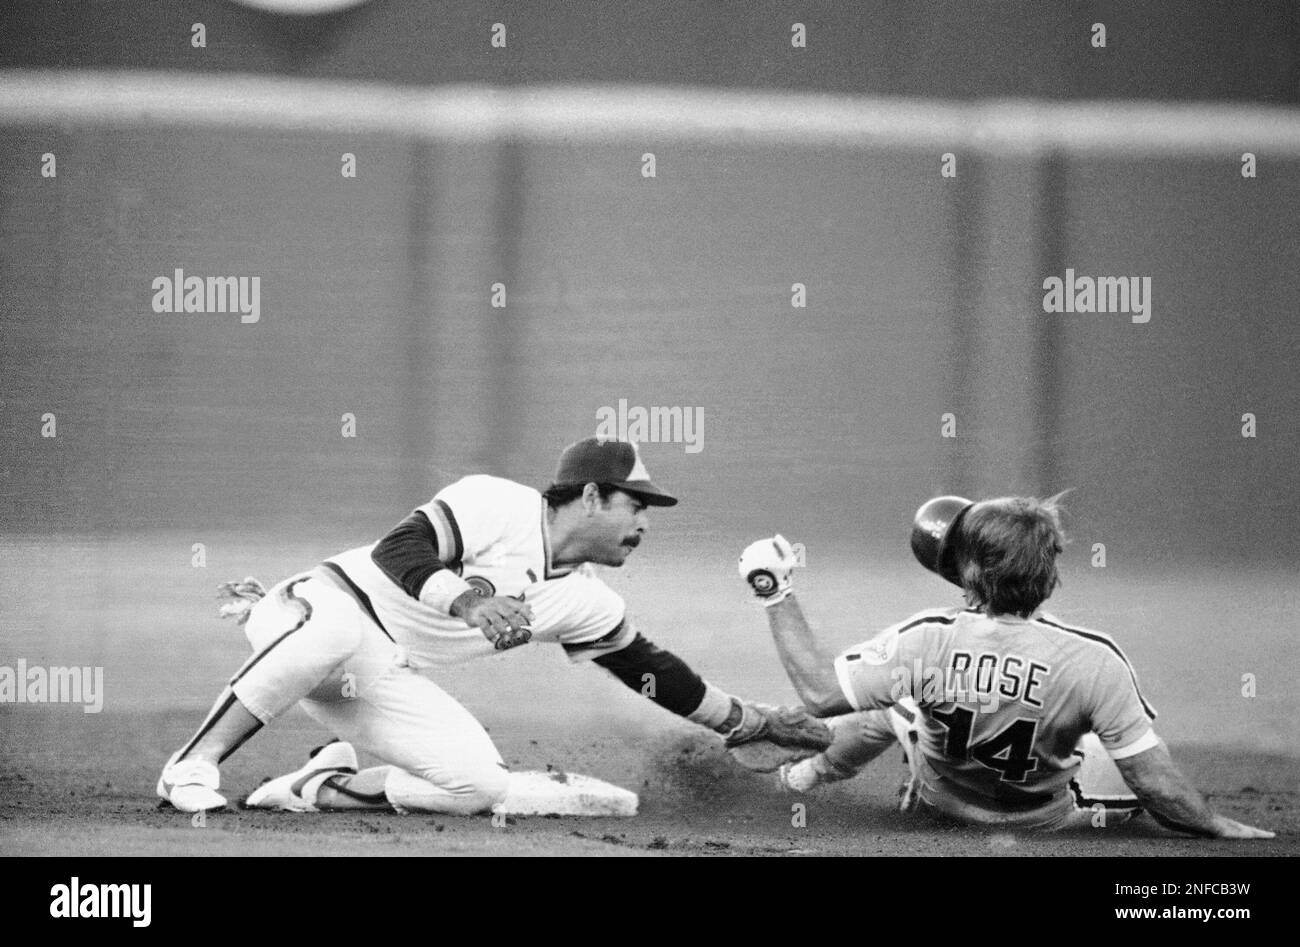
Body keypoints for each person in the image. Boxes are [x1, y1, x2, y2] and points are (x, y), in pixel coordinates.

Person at [157, 437, 827, 815]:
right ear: (590, 496)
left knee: (477, 785)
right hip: (320, 606)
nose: (644, 523)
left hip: (380, 671)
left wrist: (745, 720)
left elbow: (653, 671)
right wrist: (466, 602)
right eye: (636, 505)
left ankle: (321, 784)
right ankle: (190, 766)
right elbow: (399, 550)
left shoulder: (589, 602)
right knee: (332, 634)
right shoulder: (497, 503)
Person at [736, 495, 1274, 837]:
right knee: (1115, 752)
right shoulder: (1094, 659)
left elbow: (819, 692)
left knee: (895, 704)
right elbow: (1156, 783)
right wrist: (1219, 827)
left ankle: (797, 782)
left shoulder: (926, 640)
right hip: (1046, 823)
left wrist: (774, 590)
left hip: (940, 812)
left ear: (969, 572)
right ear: (1049, 569)